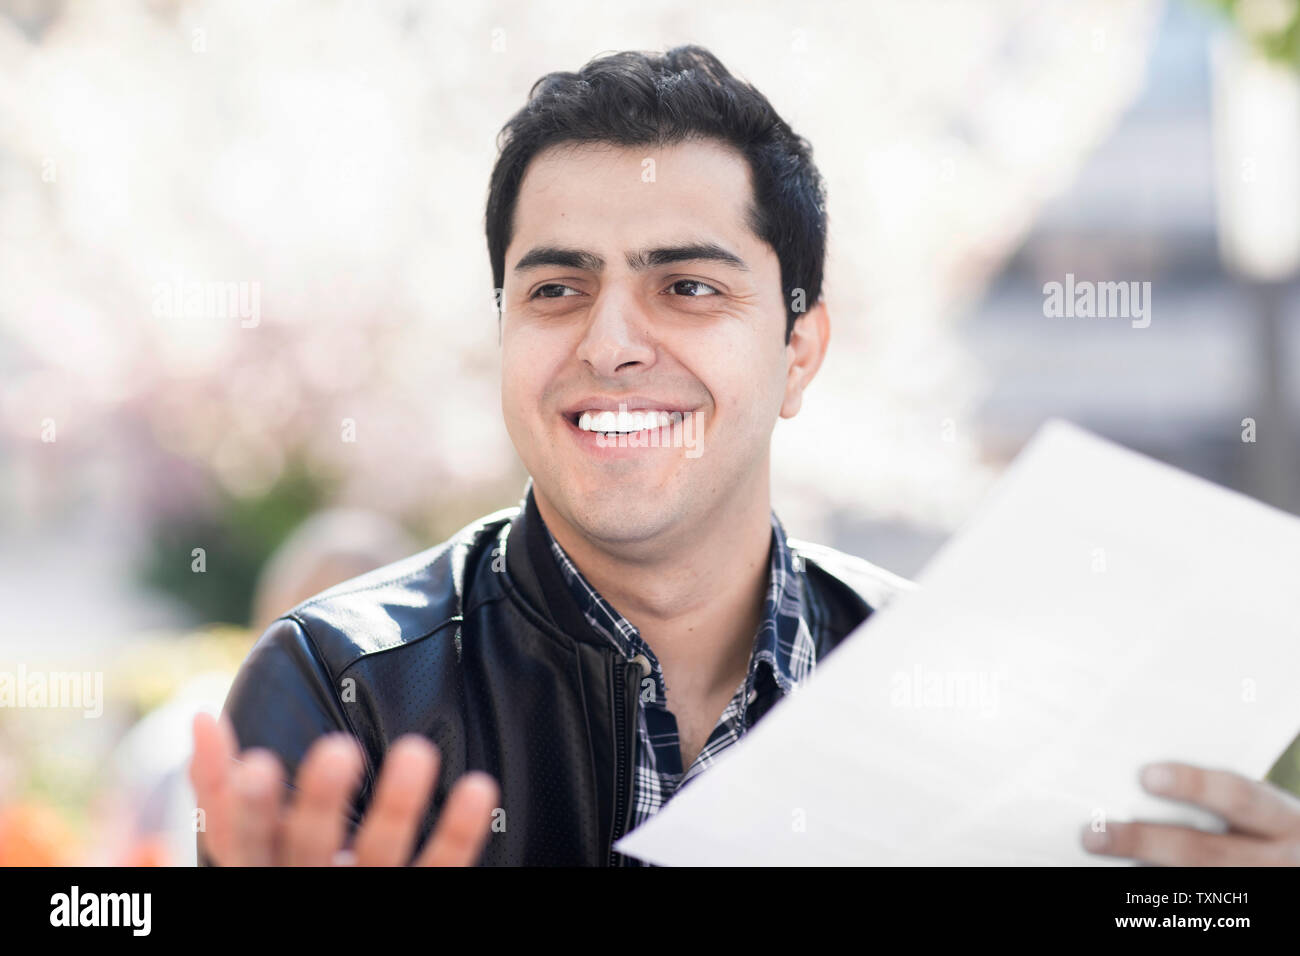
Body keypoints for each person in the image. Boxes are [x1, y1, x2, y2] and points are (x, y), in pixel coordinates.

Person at [190, 45, 1300, 867]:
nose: (610, 343)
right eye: (556, 288)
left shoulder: (958, 682)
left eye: (688, 287)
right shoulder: (340, 690)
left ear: (799, 350)